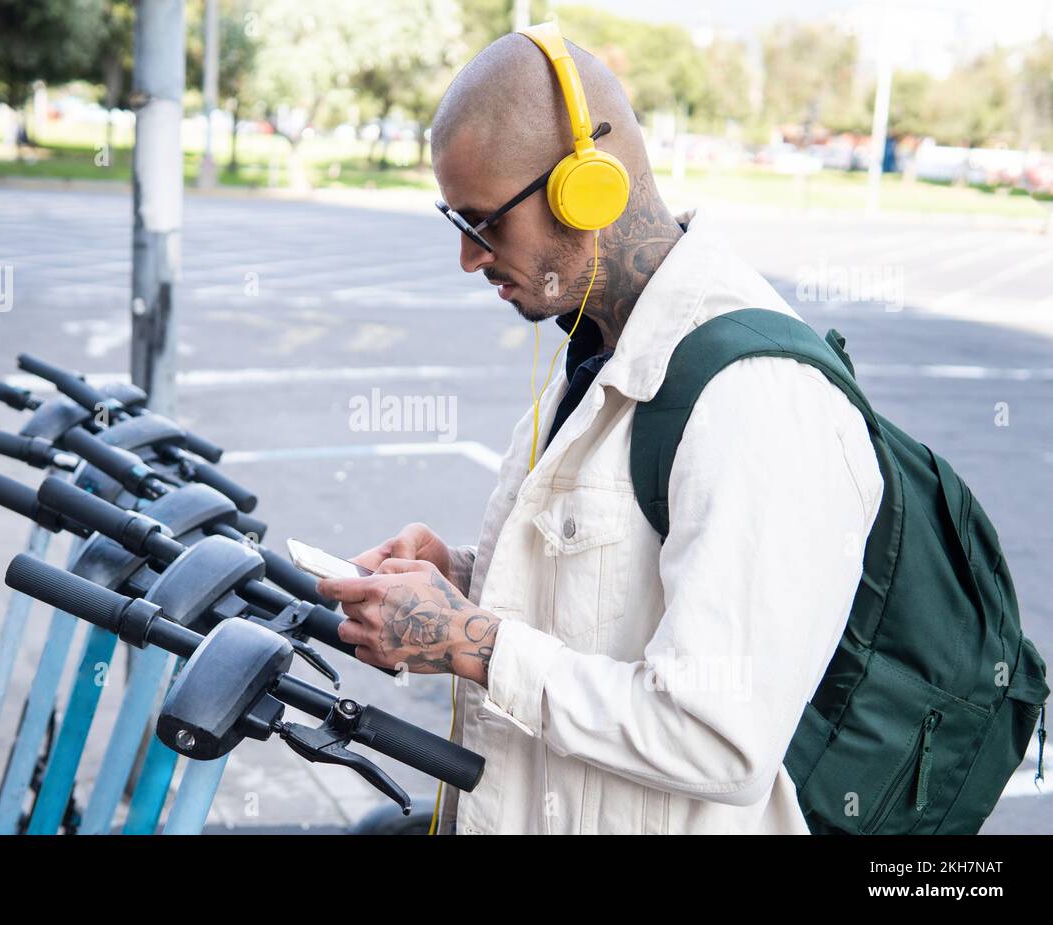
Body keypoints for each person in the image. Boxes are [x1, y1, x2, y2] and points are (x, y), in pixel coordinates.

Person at [315, 26, 883, 834]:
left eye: (482, 225)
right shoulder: (603, 347)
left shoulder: (758, 397)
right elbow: (608, 599)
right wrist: (462, 578)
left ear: (589, 188)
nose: (470, 260)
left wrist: (468, 639)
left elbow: (718, 736)